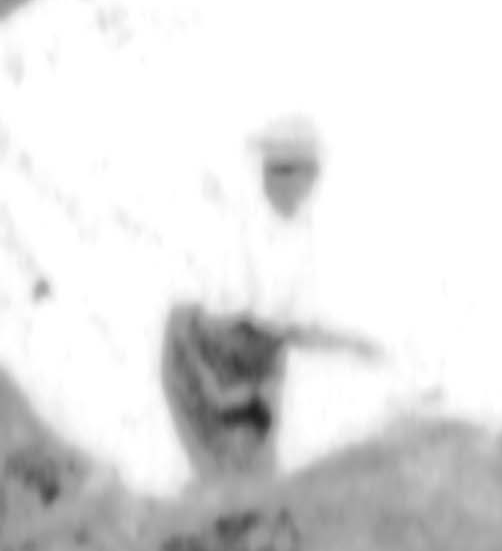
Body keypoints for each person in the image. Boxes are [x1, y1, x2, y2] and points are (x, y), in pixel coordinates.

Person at [157, 114, 375, 483]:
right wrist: (338, 343)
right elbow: (236, 319)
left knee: (257, 472)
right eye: (282, 172)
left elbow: (291, 319)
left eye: (306, 175)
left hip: (258, 363)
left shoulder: (305, 231)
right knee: (226, 468)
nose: (299, 187)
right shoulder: (237, 223)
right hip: (207, 356)